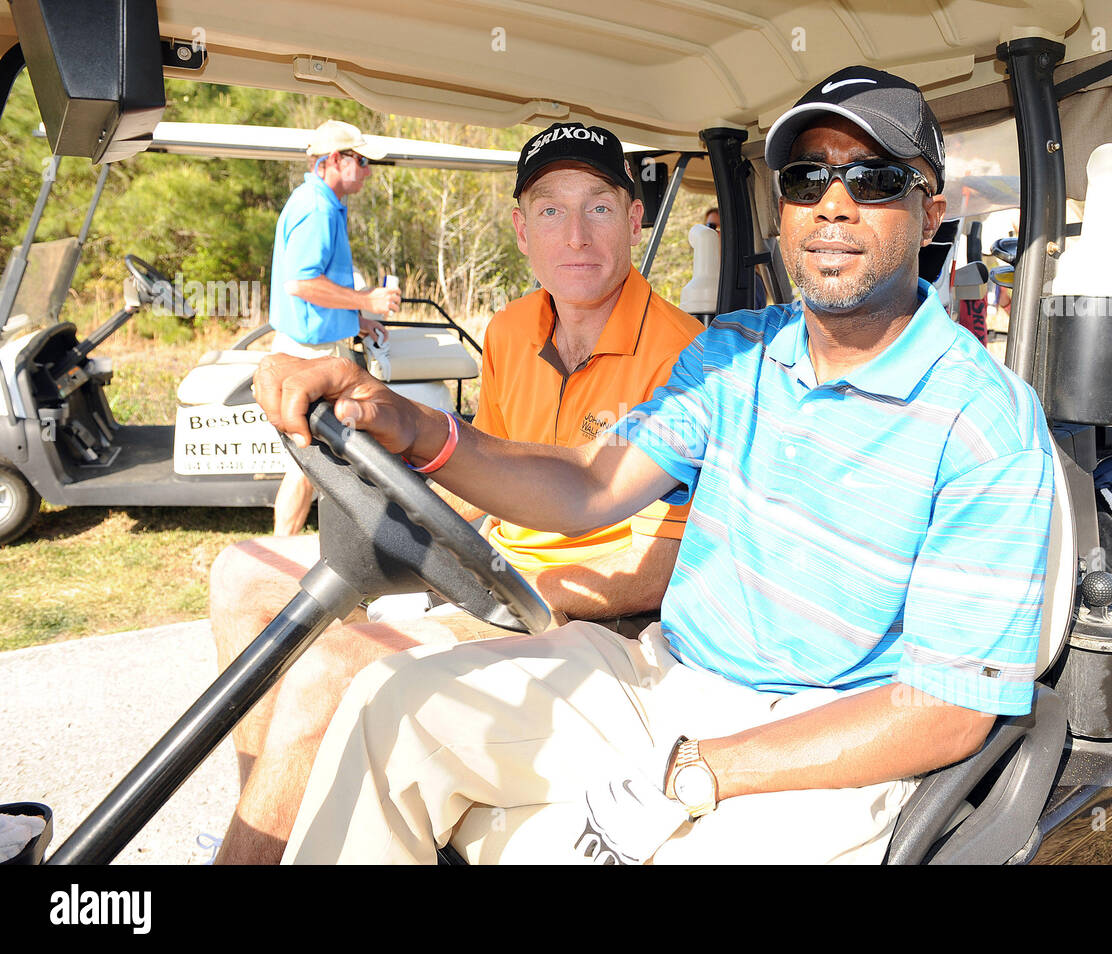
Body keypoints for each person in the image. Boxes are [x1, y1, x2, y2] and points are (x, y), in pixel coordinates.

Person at [259, 65, 1056, 865]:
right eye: (807, 178)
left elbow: (948, 709)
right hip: (662, 681)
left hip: (822, 743)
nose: (834, 204)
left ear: (931, 214)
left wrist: (700, 770)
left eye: (875, 179)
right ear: (782, 209)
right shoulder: (734, 353)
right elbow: (591, 483)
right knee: (386, 702)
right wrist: (403, 421)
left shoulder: (985, 424)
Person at [210, 121, 702, 864]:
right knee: (242, 578)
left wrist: (521, 584)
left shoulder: (686, 355)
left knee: (328, 673)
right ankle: (268, 824)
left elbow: (657, 567)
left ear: (634, 221)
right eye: (548, 210)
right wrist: (391, 504)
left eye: (598, 207)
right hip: (492, 571)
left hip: (587, 614)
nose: (574, 234)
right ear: (520, 228)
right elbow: (484, 482)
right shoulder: (509, 330)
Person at [268, 119, 402, 536]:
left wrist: (355, 320)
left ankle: (287, 550)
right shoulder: (318, 207)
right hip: (310, 356)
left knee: (311, 463)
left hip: (310, 347)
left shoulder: (317, 201)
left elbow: (315, 285)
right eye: (361, 161)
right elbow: (302, 283)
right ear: (334, 160)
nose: (367, 170)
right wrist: (367, 301)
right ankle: (284, 552)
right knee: (312, 464)